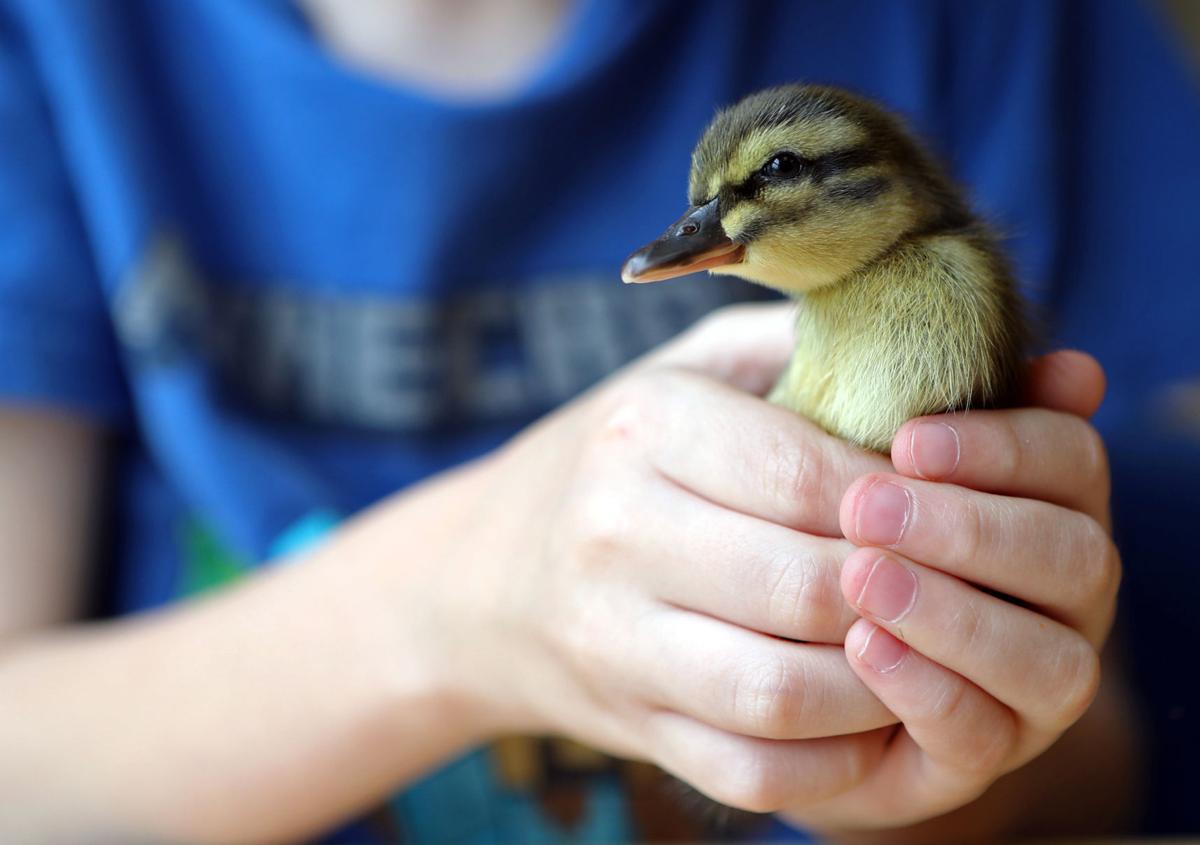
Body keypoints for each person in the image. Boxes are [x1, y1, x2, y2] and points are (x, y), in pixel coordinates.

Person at [0, 0, 1196, 842]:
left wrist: (922, 765)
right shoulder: (56, 43)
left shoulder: (979, 21)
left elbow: (1096, 744)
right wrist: (463, 600)